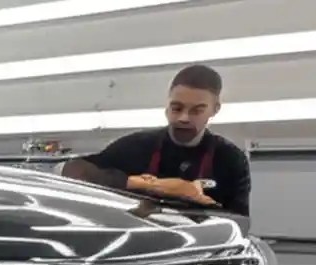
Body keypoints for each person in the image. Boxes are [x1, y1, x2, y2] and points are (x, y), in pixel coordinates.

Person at [61, 64, 252, 215]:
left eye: (196, 110)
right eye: (177, 108)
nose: (183, 118)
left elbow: (240, 222)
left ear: (215, 109)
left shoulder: (230, 159)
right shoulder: (136, 146)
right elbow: (70, 171)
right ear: (166, 106)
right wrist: (152, 185)